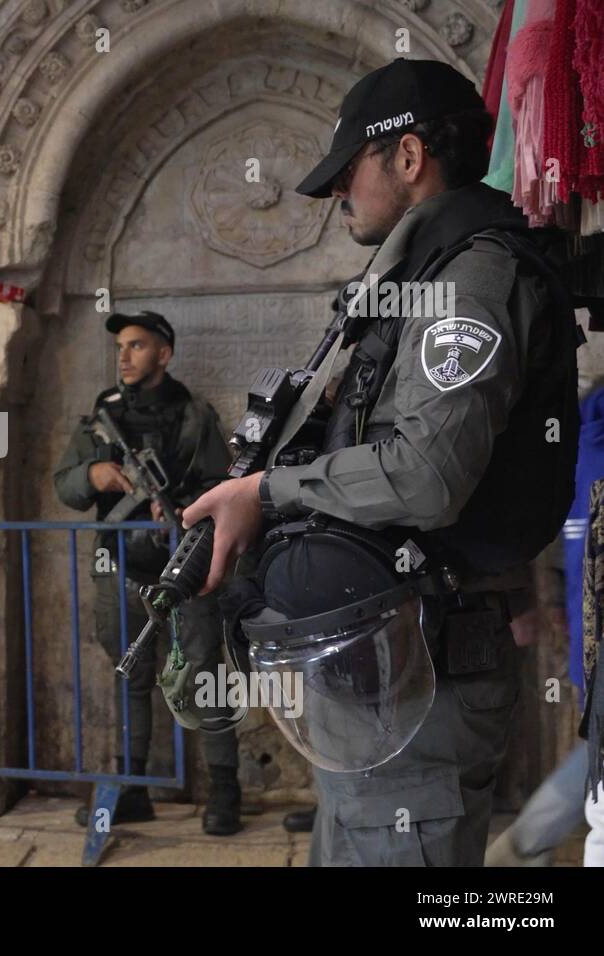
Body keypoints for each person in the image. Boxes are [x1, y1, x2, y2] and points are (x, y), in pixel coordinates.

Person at [182, 58, 582, 866]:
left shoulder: (468, 278)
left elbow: (427, 476)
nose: (336, 196)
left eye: (347, 172)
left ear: (407, 158)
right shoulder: (421, 275)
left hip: (421, 666)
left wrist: (269, 489)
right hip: (388, 665)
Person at [54, 310, 243, 834]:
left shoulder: (193, 415)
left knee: (203, 673)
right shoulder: (103, 415)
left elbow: (221, 489)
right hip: (119, 566)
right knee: (130, 675)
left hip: (185, 569)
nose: (124, 355)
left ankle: (224, 790)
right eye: (121, 346)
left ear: (164, 353)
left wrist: (181, 507)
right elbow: (64, 486)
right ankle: (132, 788)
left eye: (137, 345)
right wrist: (93, 473)